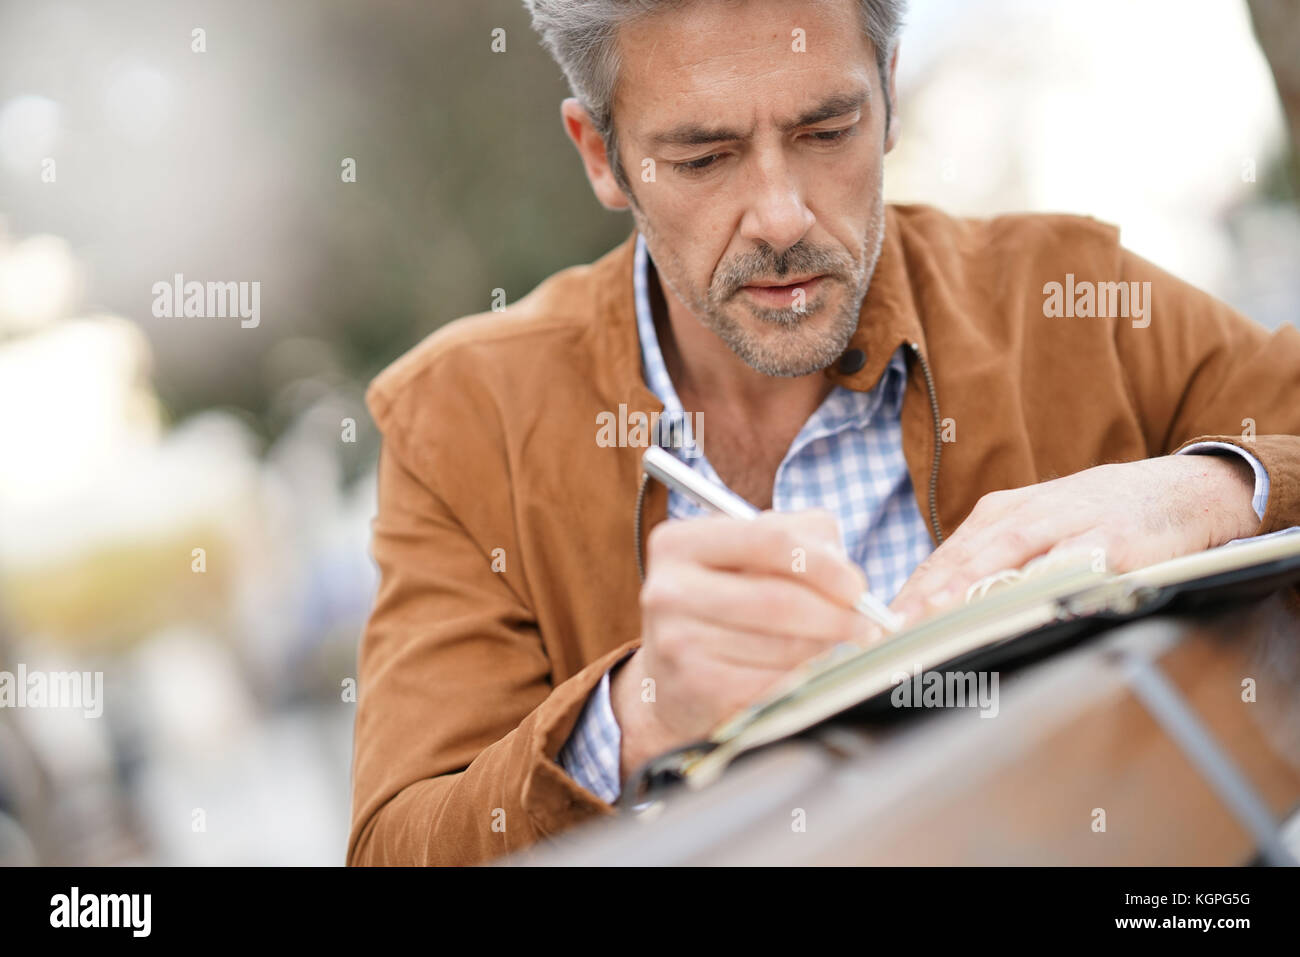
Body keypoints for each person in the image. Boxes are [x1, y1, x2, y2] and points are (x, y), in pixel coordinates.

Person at [346, 0, 1300, 865]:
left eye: (826, 129)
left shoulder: (1071, 304)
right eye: (702, 157)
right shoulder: (460, 421)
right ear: (600, 155)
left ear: (888, 94)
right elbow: (396, 845)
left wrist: (1211, 487)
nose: (781, 215)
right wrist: (635, 718)